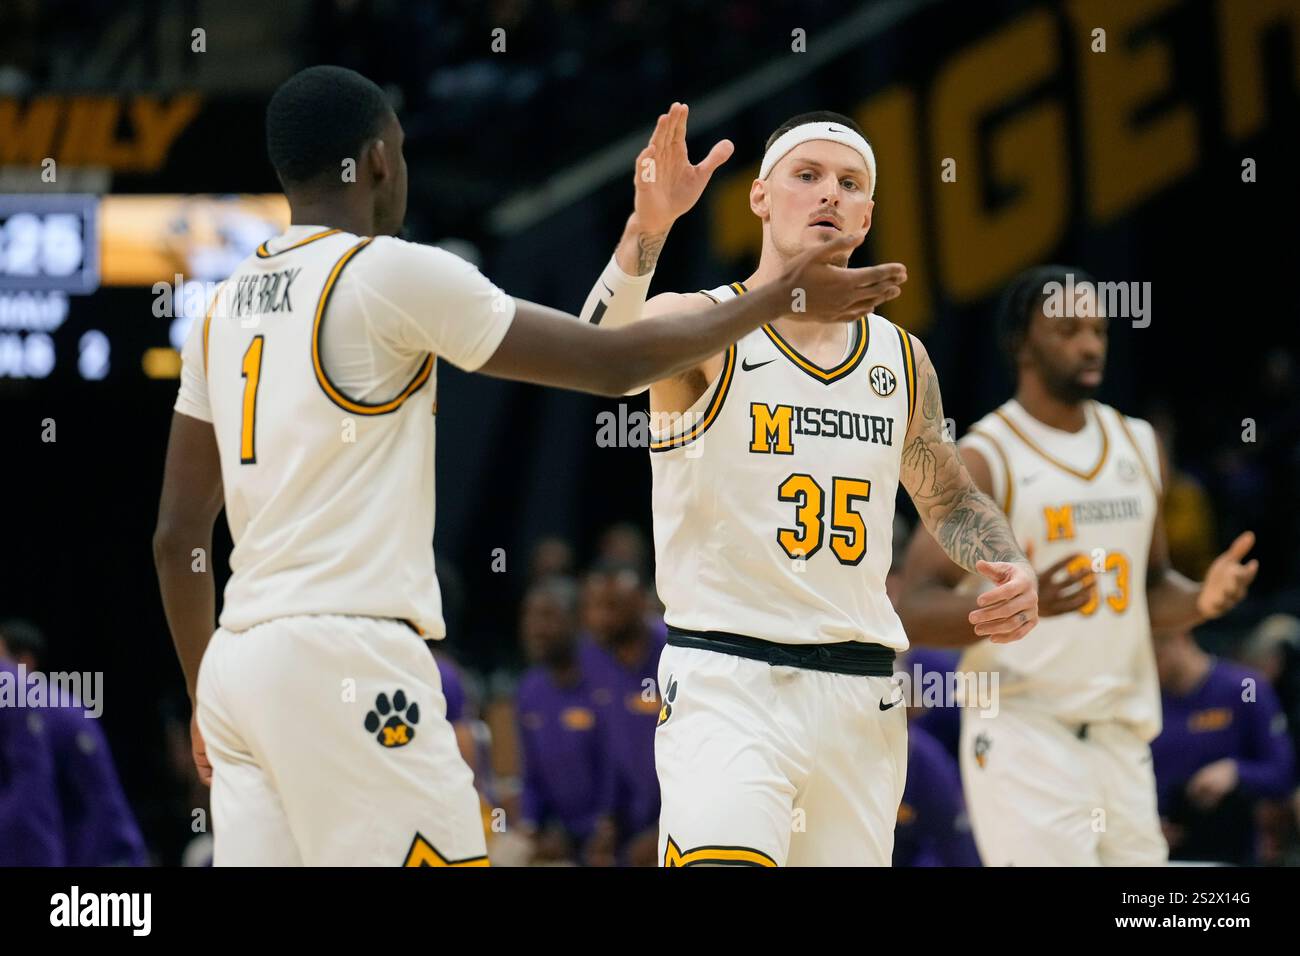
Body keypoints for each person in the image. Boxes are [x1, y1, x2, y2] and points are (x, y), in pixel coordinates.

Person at [153, 69, 901, 866]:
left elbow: (177, 535)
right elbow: (610, 365)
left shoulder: (223, 307)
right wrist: (776, 295)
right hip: (350, 654)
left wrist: (205, 690)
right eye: (401, 154)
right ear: (377, 160)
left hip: (237, 666)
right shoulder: (394, 273)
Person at [615, 110, 1037, 866]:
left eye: (849, 184)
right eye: (806, 176)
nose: (828, 195)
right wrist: (647, 231)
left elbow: (948, 496)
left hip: (859, 694)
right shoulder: (700, 323)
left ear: (868, 216)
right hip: (727, 678)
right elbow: (597, 356)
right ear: (760, 198)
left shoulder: (902, 358)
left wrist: (1008, 562)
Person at [897, 265, 1259, 865]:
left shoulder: (1140, 444)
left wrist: (1202, 599)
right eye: (1067, 329)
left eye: (1098, 329)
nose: (1089, 343)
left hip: (1121, 736)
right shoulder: (986, 458)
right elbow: (912, 608)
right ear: (1021, 344)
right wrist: (1015, 605)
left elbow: (1149, 587)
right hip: (1024, 733)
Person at [1152, 627, 1294, 864]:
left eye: (1155, 655)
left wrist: (1236, 771)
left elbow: (1283, 773)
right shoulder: (1144, 702)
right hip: (1157, 851)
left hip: (1228, 850)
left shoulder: (1245, 687)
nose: (1148, 668)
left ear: (1179, 639)